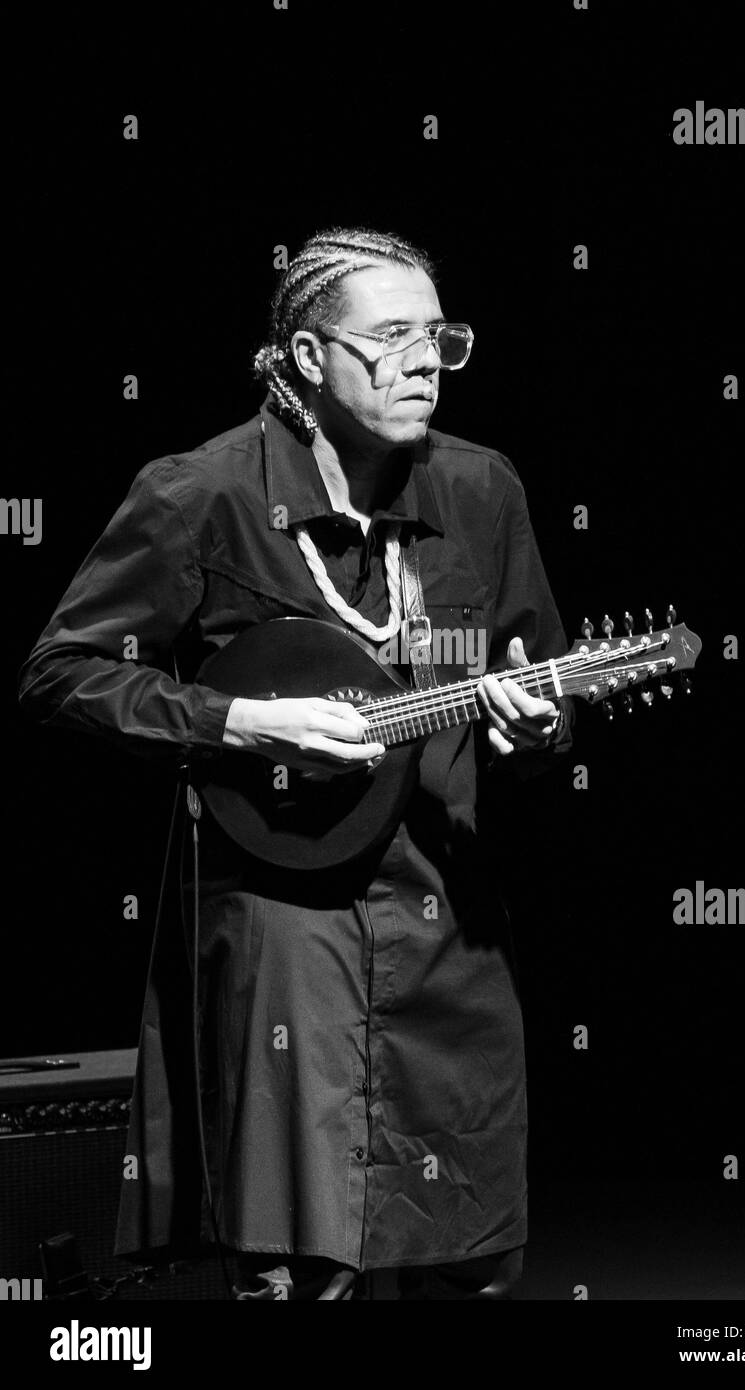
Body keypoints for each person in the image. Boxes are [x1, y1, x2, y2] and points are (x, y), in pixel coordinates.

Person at [18, 226, 577, 1300]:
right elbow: (60, 674)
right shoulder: (203, 494)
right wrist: (238, 722)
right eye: (393, 338)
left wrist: (539, 730)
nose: (426, 363)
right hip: (282, 928)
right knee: (303, 1270)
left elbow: (535, 689)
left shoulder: (482, 490)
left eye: (441, 338)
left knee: (470, 1257)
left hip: (445, 919)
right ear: (310, 356)